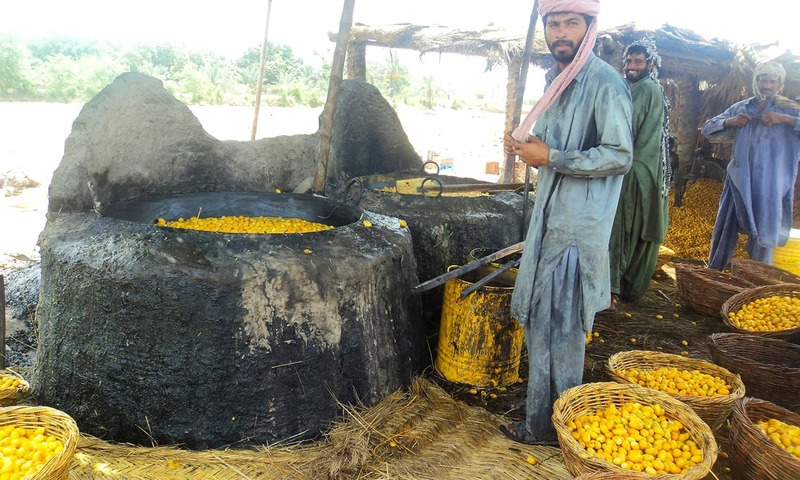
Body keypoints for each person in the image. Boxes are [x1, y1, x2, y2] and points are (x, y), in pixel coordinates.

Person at [500, 0, 632, 445]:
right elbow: (555, 150)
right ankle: (540, 424)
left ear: (590, 27)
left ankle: (564, 430)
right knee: (542, 323)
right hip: (550, 222)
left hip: (577, 230)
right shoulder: (559, 81)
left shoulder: (606, 83)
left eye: (570, 22)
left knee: (565, 331)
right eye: (553, 23)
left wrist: (551, 156)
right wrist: (531, 148)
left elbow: (619, 155)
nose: (560, 32)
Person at [702, 62, 800, 270]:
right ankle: (713, 274)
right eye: (763, 80)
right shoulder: (742, 107)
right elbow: (708, 128)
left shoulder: (789, 108)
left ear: (780, 85)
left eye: (773, 81)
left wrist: (785, 119)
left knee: (764, 237)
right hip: (739, 181)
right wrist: (730, 122)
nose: (767, 86)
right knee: (724, 230)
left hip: (771, 185)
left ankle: (756, 283)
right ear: (755, 82)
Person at [608, 38, 670, 305]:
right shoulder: (645, 87)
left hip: (633, 171)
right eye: (629, 61)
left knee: (620, 230)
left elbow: (625, 131)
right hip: (644, 170)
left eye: (638, 62)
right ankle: (626, 289)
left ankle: (610, 291)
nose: (632, 66)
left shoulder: (644, 90)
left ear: (650, 64)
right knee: (634, 232)